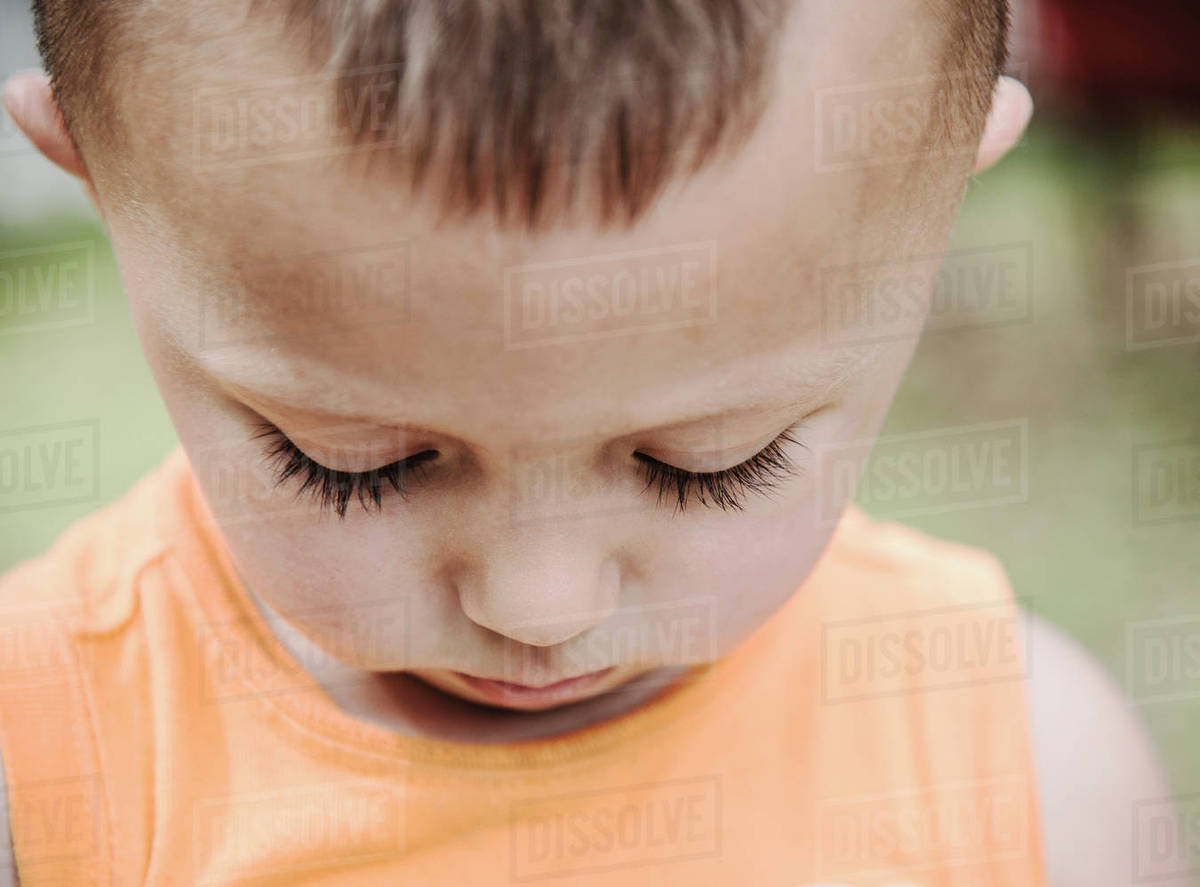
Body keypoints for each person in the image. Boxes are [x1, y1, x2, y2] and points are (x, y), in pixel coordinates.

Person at [0, 1, 1183, 883]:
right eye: (351, 465)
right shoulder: (40, 762)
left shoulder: (1026, 776)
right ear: (96, 170)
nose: (539, 604)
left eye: (714, 463)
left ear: (948, 182)